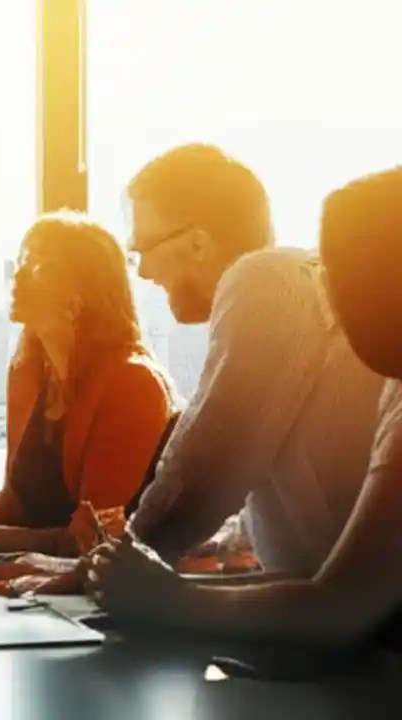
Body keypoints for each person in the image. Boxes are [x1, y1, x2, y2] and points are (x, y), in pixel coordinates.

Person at [89, 167, 402, 647]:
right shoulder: (392, 387)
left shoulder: (262, 276)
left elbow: (208, 462)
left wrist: (140, 575)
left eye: (337, 267)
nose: (326, 291)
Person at [122, 143, 384, 577]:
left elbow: (208, 462)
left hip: (356, 613)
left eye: (143, 247)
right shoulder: (297, 286)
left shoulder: (261, 277)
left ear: (198, 243)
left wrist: (116, 562)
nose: (144, 270)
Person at [0, 212, 175, 557]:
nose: (18, 275)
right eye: (20, 261)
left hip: (99, 581)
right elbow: (14, 500)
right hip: (30, 573)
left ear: (81, 293)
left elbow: (94, 540)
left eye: (37, 265)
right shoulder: (30, 372)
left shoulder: (132, 384)